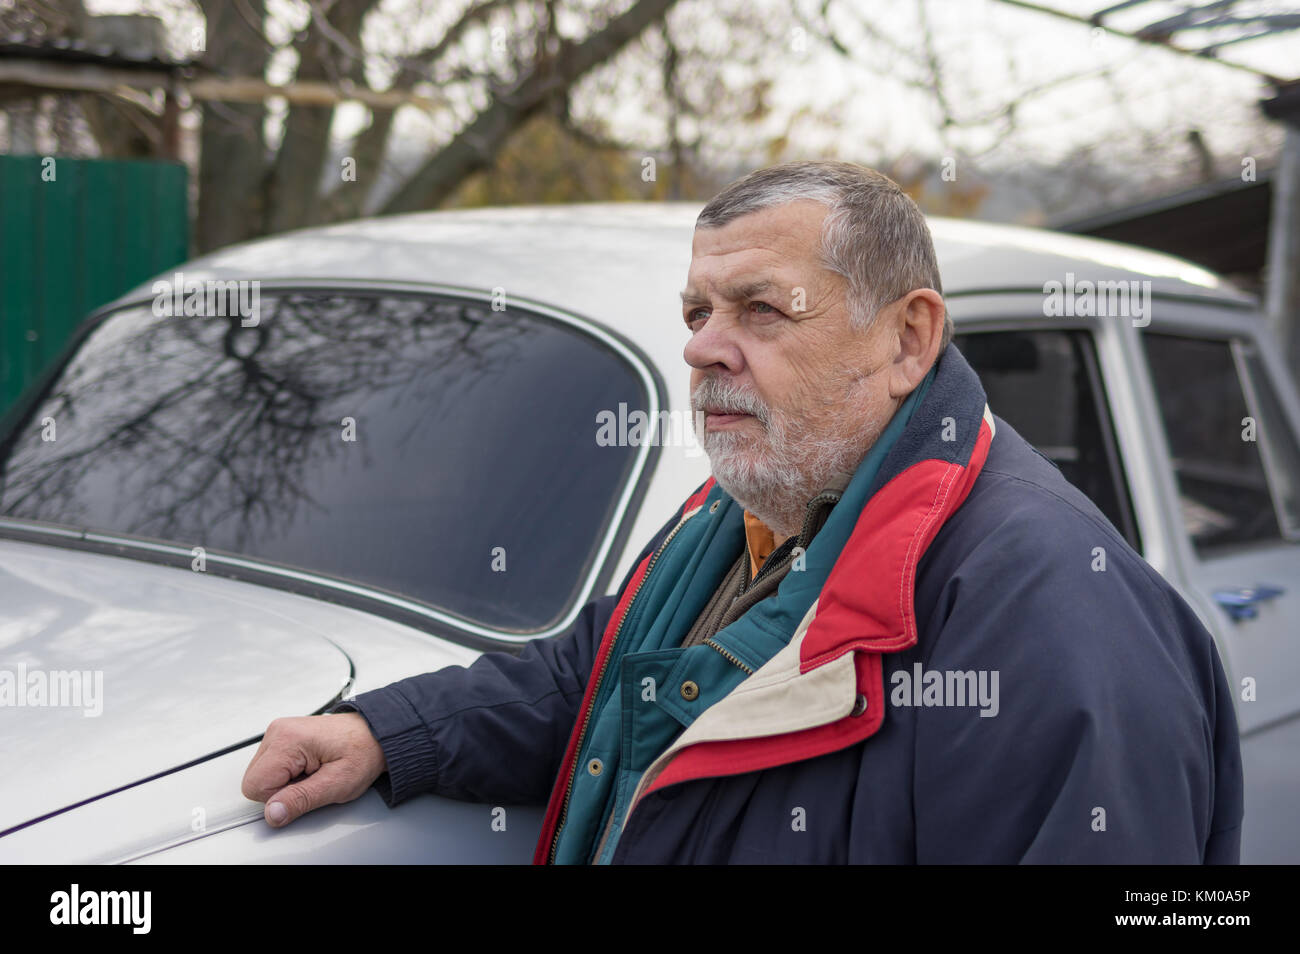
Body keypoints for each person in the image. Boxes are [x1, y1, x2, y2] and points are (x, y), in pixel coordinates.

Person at [242, 160, 1243, 864]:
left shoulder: (1053, 616)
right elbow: (600, 677)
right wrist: (393, 732)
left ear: (907, 341)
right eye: (696, 313)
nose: (702, 347)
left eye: (760, 309)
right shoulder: (752, 501)